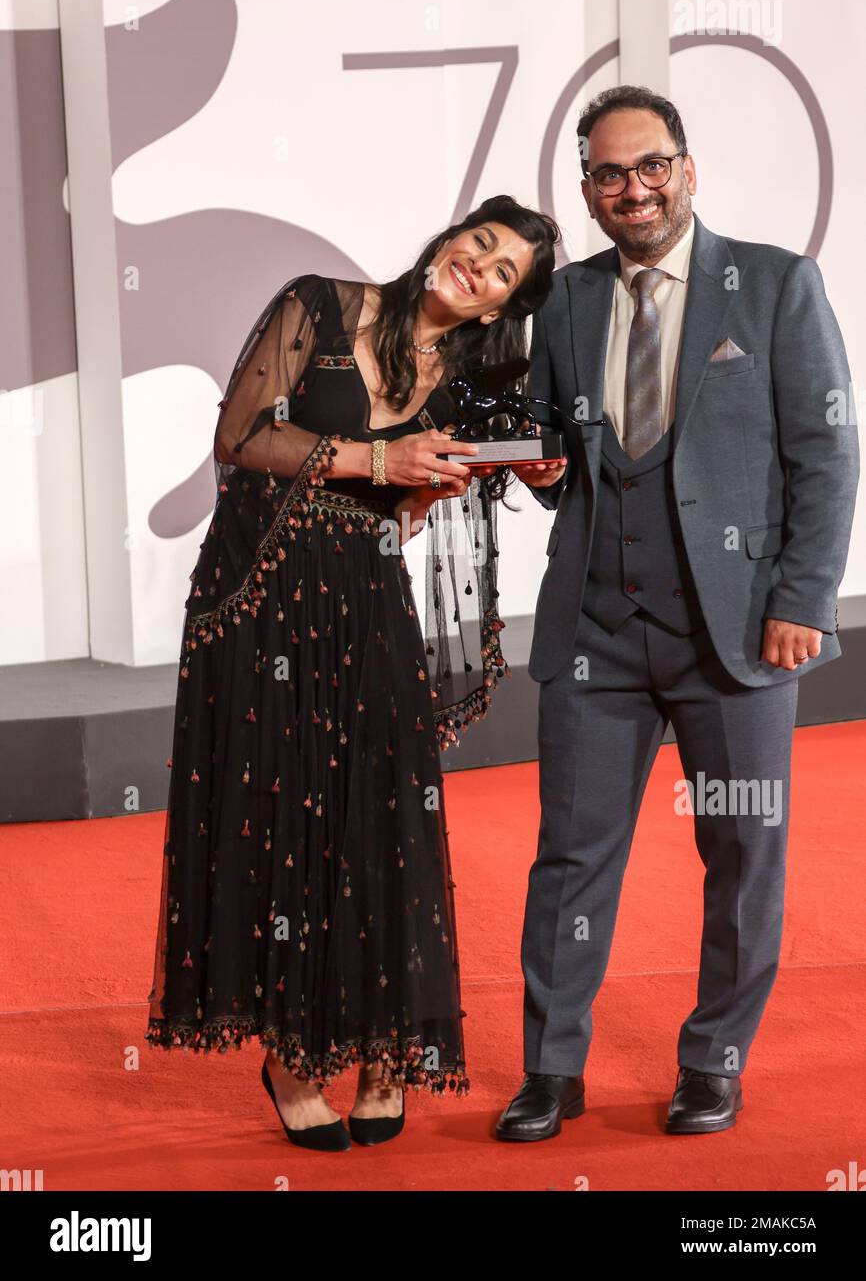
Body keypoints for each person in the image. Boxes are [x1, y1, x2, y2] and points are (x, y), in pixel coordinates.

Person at [146, 194, 560, 1150]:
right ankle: (292, 1057)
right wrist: (380, 457)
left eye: (502, 272)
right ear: (451, 237)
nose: (480, 266)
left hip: (366, 601)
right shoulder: (321, 306)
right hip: (258, 591)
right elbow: (241, 439)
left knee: (382, 818)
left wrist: (450, 479)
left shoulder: (464, 380)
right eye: (481, 242)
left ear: (502, 306)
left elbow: (409, 508)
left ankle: (382, 1043)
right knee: (276, 813)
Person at [498, 85, 859, 1141]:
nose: (634, 189)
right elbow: (554, 456)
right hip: (594, 636)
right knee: (569, 856)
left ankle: (713, 1061)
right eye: (609, 174)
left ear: (687, 169)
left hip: (738, 638)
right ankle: (550, 1069)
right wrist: (532, 464)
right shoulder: (566, 300)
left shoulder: (776, 284)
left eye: (651, 165)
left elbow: (826, 453)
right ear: (587, 192)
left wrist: (802, 598)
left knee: (741, 851)